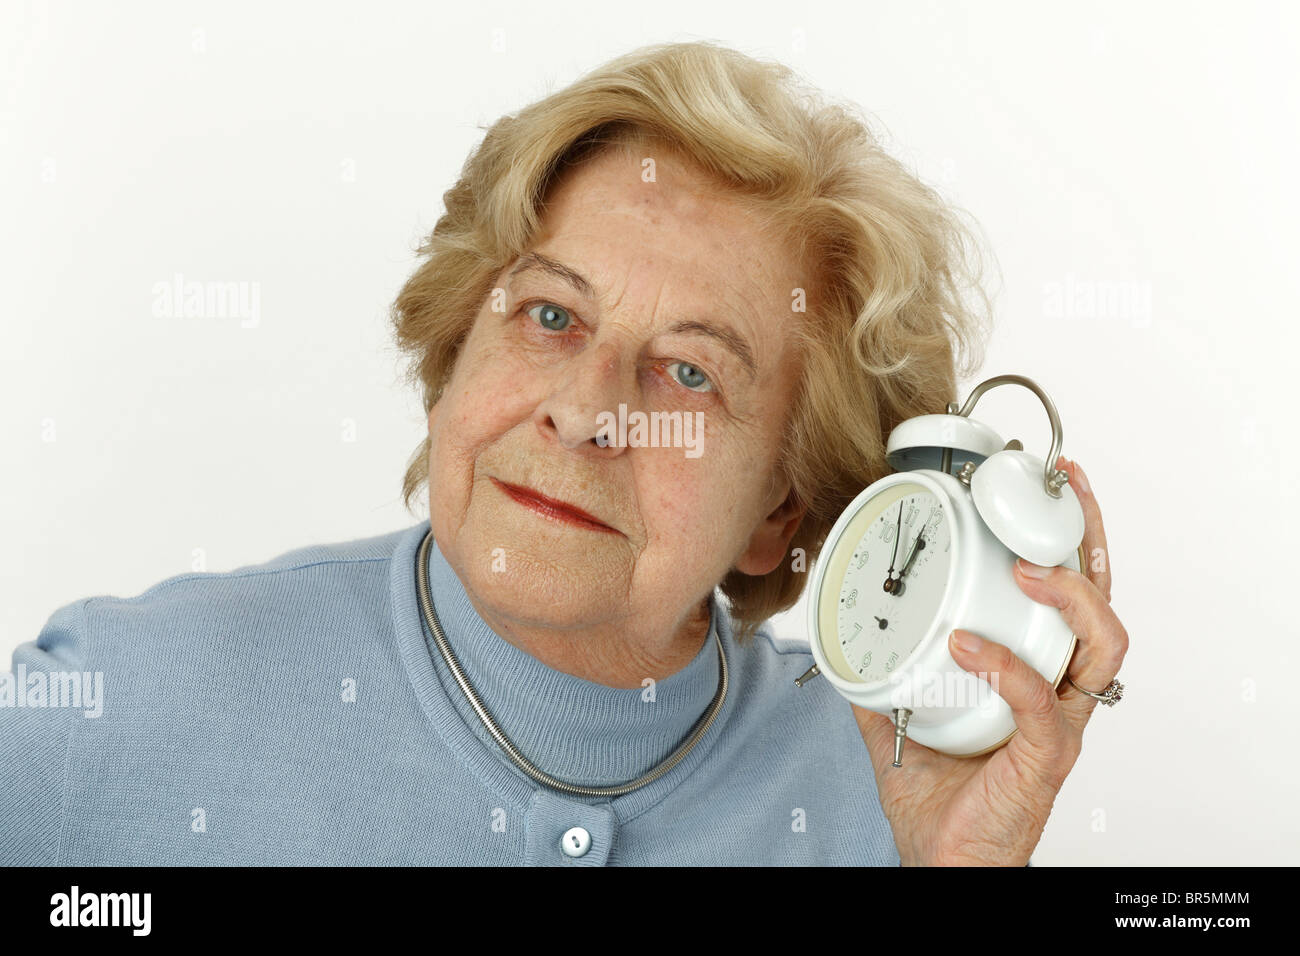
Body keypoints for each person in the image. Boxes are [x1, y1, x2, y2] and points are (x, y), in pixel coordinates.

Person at [1, 40, 1127, 866]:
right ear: (457, 346)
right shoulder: (113, 710)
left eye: (689, 373)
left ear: (782, 509)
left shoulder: (877, 791)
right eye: (549, 316)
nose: (588, 412)